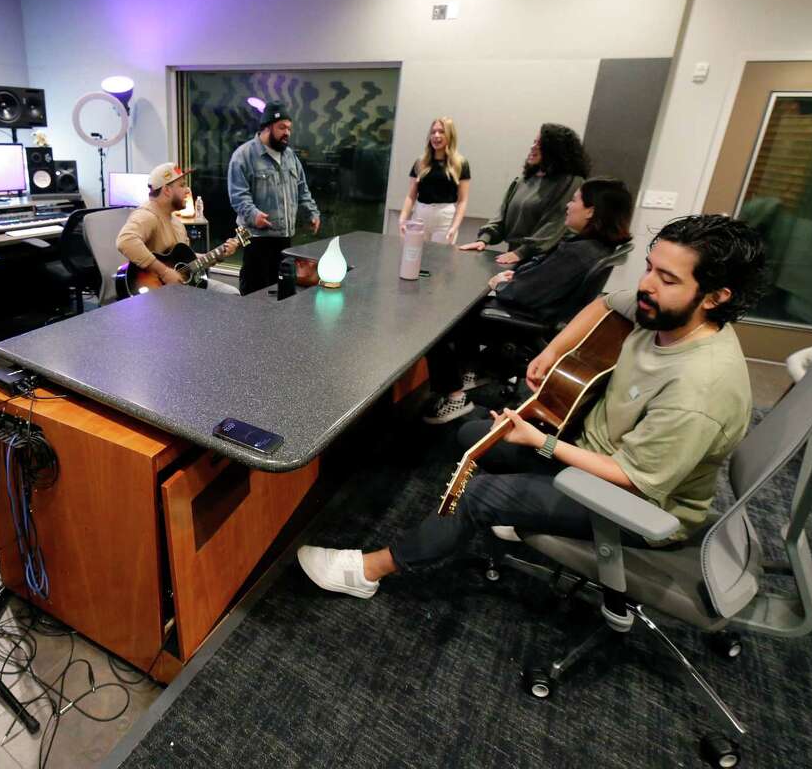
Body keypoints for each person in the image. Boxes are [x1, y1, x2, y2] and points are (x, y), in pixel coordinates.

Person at [298, 214, 767, 599]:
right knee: (470, 435)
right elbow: (606, 304)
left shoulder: (702, 388)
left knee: (479, 495)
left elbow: (632, 478)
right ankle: (512, 509)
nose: (646, 285)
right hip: (587, 447)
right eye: (648, 267)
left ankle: (368, 572)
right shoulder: (662, 311)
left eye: (666, 278)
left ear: (715, 297)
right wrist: (551, 351)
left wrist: (540, 441)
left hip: (634, 505)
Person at [422, 177, 634, 425]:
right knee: (468, 310)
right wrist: (520, 275)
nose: (568, 205)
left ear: (591, 211)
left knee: (438, 325)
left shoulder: (577, 253)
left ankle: (455, 397)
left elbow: (521, 294)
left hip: (528, 317)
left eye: (575, 200)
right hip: (545, 313)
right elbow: (541, 277)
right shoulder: (592, 247)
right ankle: (475, 370)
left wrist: (499, 284)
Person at [459, 123, 589, 265]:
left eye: (540, 144)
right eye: (534, 142)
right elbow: (501, 217)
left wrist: (521, 253)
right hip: (518, 258)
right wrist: (484, 239)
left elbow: (554, 224)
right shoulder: (522, 181)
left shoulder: (570, 182)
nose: (533, 147)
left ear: (555, 149)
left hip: (546, 262)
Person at [227, 102, 321, 295]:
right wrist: (254, 215)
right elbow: (238, 196)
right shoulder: (243, 156)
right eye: (281, 128)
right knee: (254, 293)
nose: (287, 133)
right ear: (266, 127)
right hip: (255, 238)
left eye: (289, 128)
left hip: (284, 239)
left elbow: (302, 190)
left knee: (282, 293)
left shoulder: (290, 157)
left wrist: (312, 213)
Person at [115, 162, 241, 294]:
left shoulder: (176, 222)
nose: (187, 190)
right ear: (167, 190)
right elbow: (126, 241)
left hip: (180, 287)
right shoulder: (147, 215)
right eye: (182, 185)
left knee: (232, 293)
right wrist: (164, 272)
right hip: (154, 294)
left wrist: (218, 254)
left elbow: (186, 262)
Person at [398, 117, 470, 244]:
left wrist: (454, 227)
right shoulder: (421, 162)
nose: (436, 136)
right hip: (420, 215)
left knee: (439, 260)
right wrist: (402, 219)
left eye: (441, 132)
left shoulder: (460, 163)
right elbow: (411, 196)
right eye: (433, 132)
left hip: (445, 219)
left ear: (450, 135)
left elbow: (463, 201)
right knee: (415, 256)